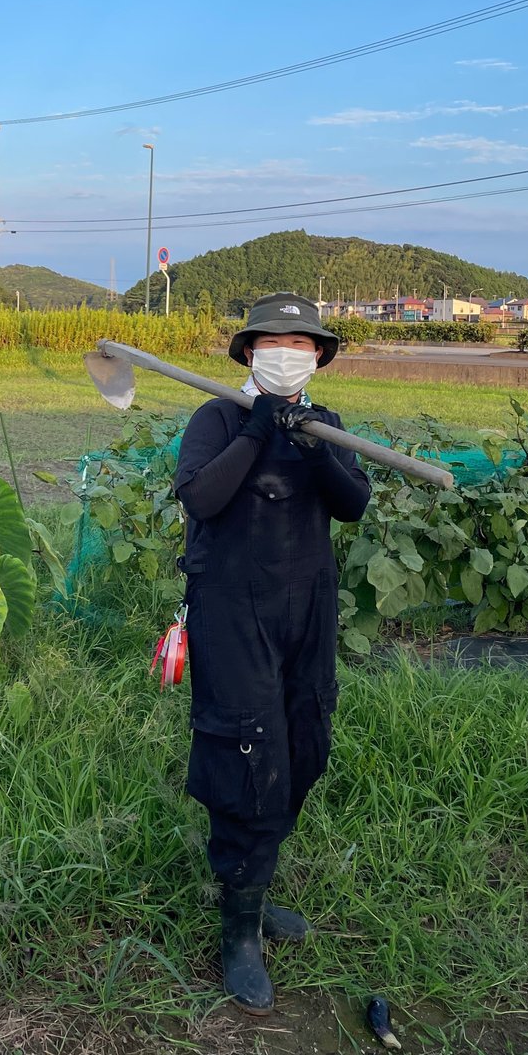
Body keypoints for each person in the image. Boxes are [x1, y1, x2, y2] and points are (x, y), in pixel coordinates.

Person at [173, 292, 371, 1013]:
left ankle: (255, 887)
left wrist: (317, 450)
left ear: (318, 355)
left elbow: (352, 504)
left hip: (306, 612)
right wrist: (257, 429)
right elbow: (202, 498)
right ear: (250, 352)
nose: (287, 355)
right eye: (273, 344)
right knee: (246, 753)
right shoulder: (219, 418)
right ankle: (240, 927)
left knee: (303, 742)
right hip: (234, 615)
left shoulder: (327, 424)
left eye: (300, 344)